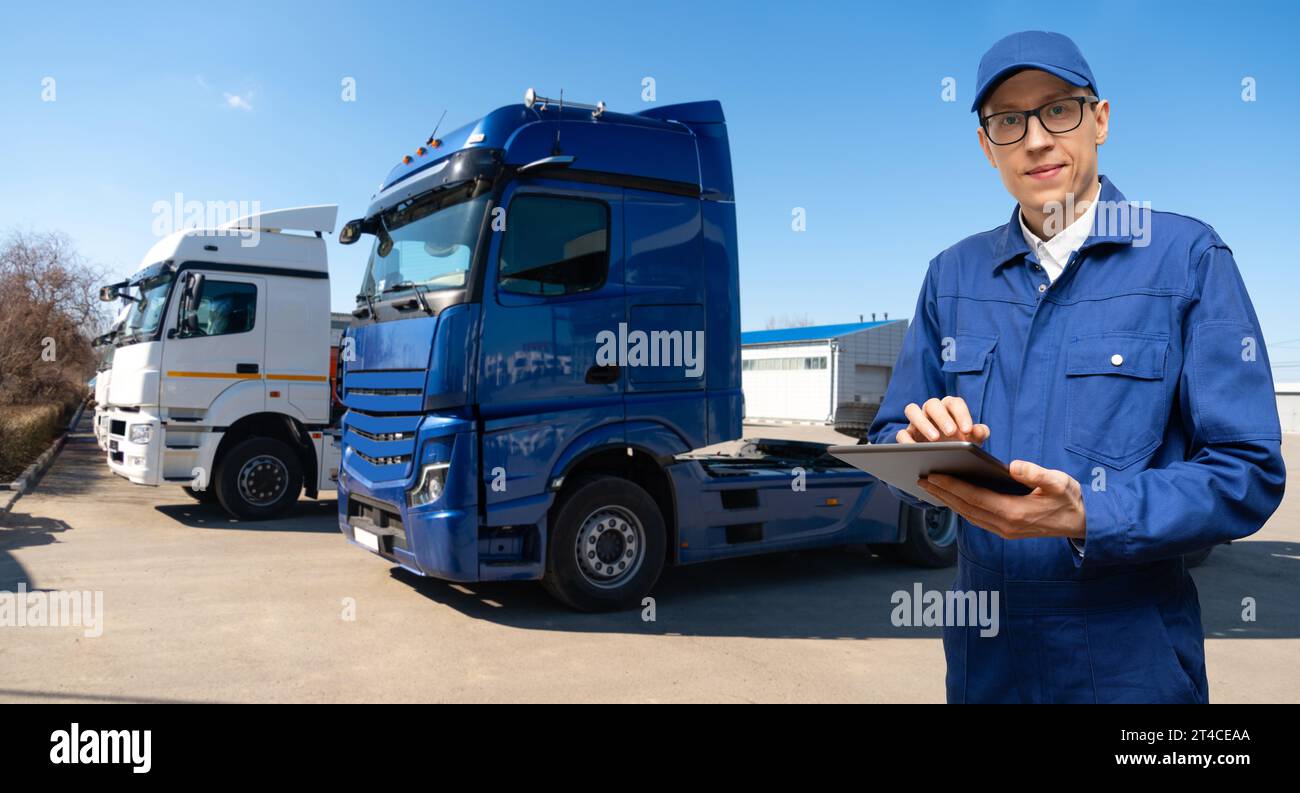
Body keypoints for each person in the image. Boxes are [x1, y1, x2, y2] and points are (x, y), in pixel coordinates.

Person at [867, 30, 1286, 703]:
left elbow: (1247, 470)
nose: (1035, 139)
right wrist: (918, 446)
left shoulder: (1187, 258)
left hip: (1132, 668)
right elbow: (889, 436)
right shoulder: (951, 276)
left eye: (1057, 109)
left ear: (1100, 119)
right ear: (986, 145)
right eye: (1008, 121)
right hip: (987, 670)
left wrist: (1092, 512)